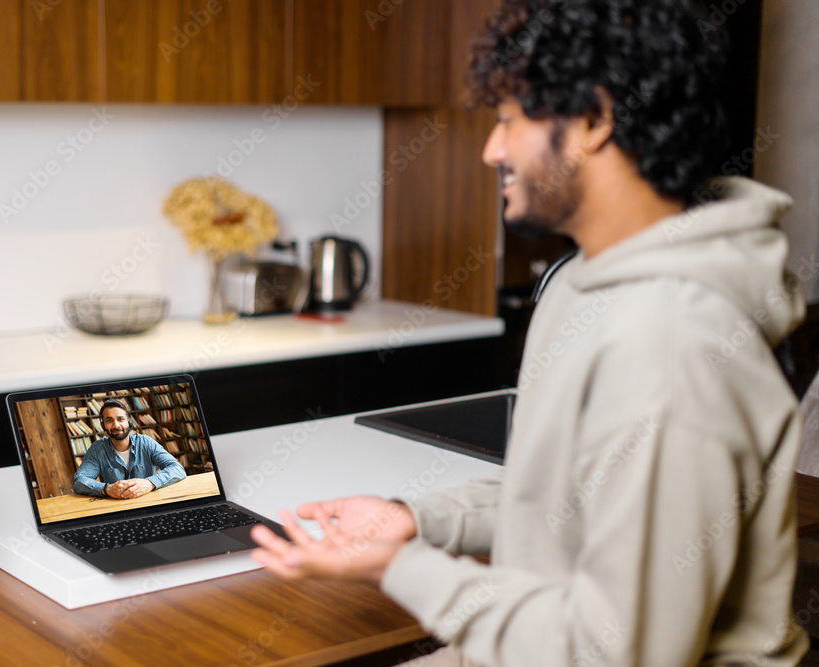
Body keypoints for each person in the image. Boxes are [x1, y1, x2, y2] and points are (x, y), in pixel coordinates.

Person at [250, 0, 809, 664]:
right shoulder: (580, 283)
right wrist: (418, 520)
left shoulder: (674, 343)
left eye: (511, 119)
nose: (491, 149)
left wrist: (401, 567)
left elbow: (613, 654)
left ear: (594, 120)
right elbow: (563, 498)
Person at [72, 399, 186, 499]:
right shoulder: (97, 449)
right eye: (109, 420)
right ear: (103, 426)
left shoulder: (146, 442)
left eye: (120, 419)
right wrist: (106, 489)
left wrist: (150, 483)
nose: (116, 425)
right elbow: (79, 481)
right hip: (118, 507)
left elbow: (177, 468)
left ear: (129, 422)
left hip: (149, 502)